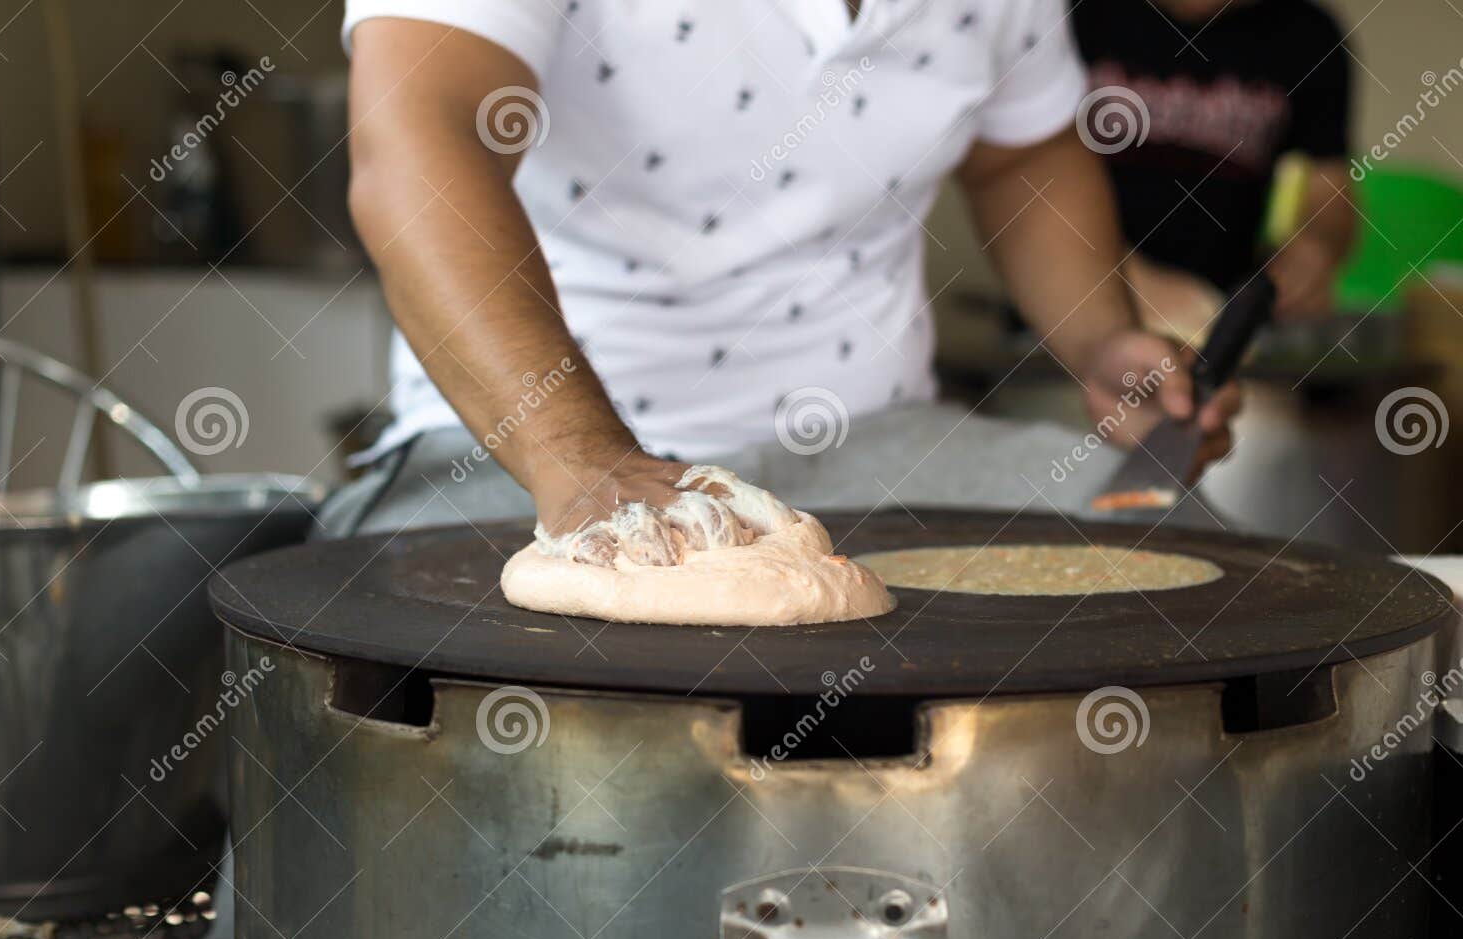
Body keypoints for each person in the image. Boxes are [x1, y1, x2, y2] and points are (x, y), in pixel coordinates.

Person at [323, 1, 1243, 558]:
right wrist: (581, 457)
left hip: (884, 442)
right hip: (518, 454)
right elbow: (417, 148)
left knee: (1183, 559)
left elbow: (1022, 157)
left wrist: (1097, 333)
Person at [1072, 0, 1357, 335]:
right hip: (1068, 318)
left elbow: (1330, 189)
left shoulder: (1309, 33)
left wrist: (1315, 248)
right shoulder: (1072, 14)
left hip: (1225, 329)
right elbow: (1027, 185)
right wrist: (1121, 278)